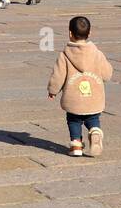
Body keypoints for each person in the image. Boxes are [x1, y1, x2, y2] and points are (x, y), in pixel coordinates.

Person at [46, 15, 114, 158]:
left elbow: (58, 76)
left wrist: (53, 90)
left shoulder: (64, 55)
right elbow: (107, 74)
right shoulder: (97, 54)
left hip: (73, 99)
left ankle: (76, 144)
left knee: (73, 120)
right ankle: (95, 131)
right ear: (89, 34)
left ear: (70, 33)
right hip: (94, 99)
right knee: (93, 118)